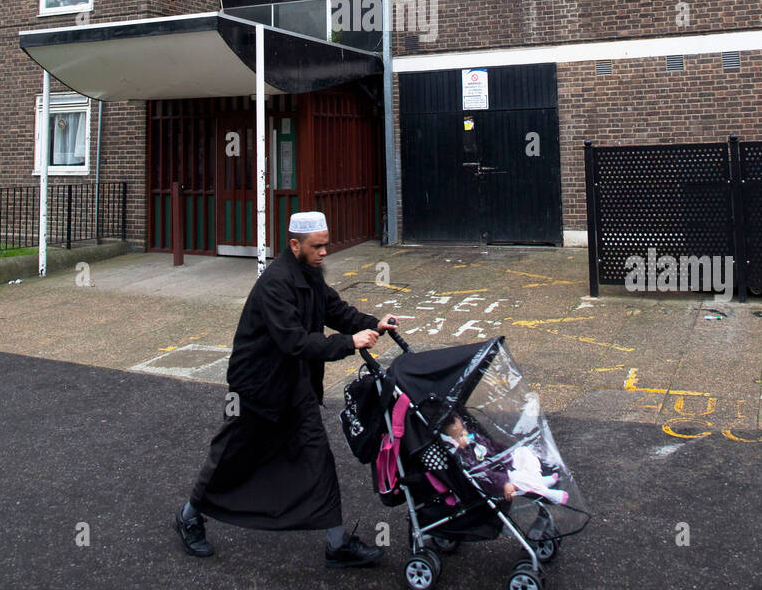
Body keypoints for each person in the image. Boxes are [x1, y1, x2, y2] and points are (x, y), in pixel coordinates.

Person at [174, 211, 398, 568]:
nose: (325, 252)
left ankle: (337, 544)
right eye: (317, 246)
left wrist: (374, 324)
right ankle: (188, 516)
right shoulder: (275, 283)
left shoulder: (309, 275)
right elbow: (294, 342)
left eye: (326, 244)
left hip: (294, 385)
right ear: (295, 245)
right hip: (257, 388)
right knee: (231, 454)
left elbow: (335, 309)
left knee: (317, 456)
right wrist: (348, 343)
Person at [441, 412, 569, 505]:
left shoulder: (475, 439)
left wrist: (509, 453)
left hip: (504, 466)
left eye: (463, 431)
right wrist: (505, 482)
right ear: (451, 443)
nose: (464, 436)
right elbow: (483, 474)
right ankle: (547, 493)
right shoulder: (464, 457)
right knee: (517, 479)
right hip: (497, 481)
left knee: (523, 452)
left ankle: (537, 477)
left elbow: (495, 446)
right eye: (459, 436)